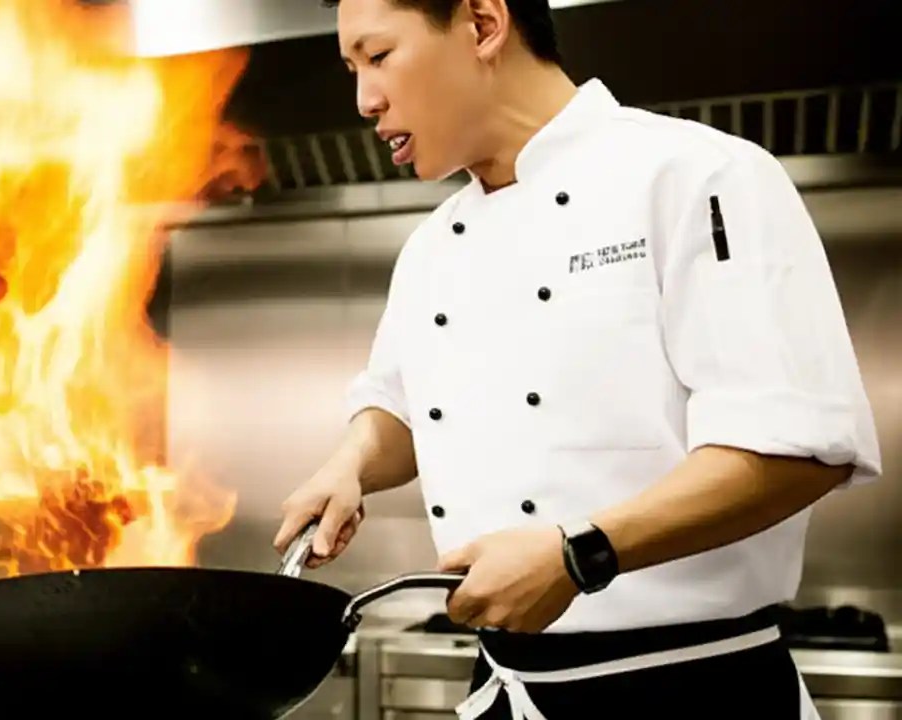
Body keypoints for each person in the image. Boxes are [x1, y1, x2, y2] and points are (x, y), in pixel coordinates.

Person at [272, 0, 882, 717]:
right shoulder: (431, 247)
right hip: (505, 688)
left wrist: (578, 554)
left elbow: (800, 448)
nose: (364, 99)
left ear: (482, 24)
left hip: (689, 691)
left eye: (377, 57)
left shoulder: (698, 177)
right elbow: (404, 407)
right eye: (351, 69)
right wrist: (349, 466)